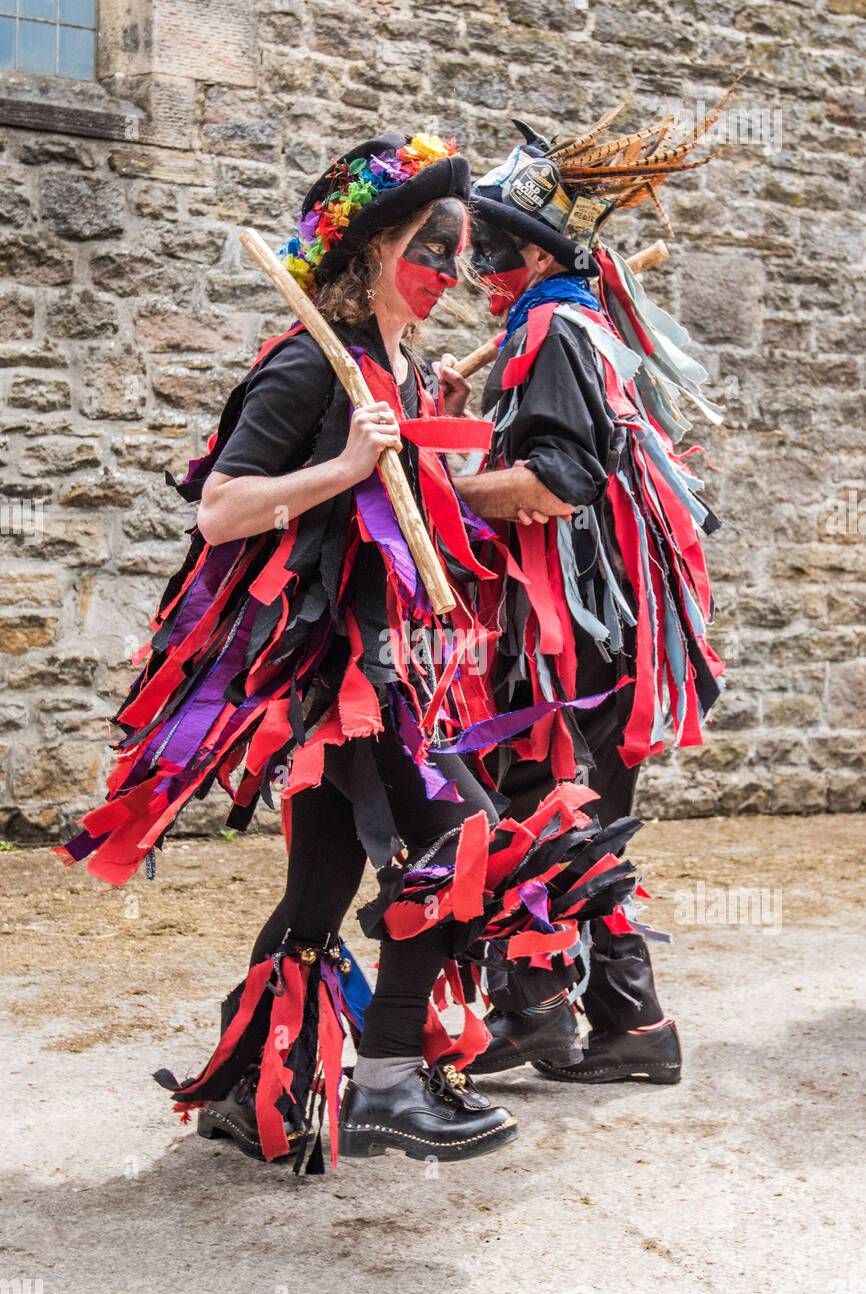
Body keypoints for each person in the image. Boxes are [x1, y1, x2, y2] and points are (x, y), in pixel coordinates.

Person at [59, 130, 641, 1169]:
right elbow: (226, 510)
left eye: (461, 262)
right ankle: (384, 1083)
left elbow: (405, 502)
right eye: (431, 253)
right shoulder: (304, 361)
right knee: (460, 839)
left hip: (387, 676)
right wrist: (340, 463)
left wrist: (426, 431)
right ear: (372, 250)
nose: (449, 279)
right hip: (335, 681)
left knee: (322, 887)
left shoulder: (393, 367)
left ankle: (248, 1092)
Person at [452, 94, 734, 1084]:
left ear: (533, 257)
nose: (476, 267)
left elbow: (555, 484)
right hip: (573, 637)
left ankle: (574, 1013)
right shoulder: (556, 329)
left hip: (582, 640)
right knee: (549, 812)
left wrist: (438, 485)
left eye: (492, 248)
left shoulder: (557, 335)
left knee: (554, 811)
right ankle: (567, 1011)